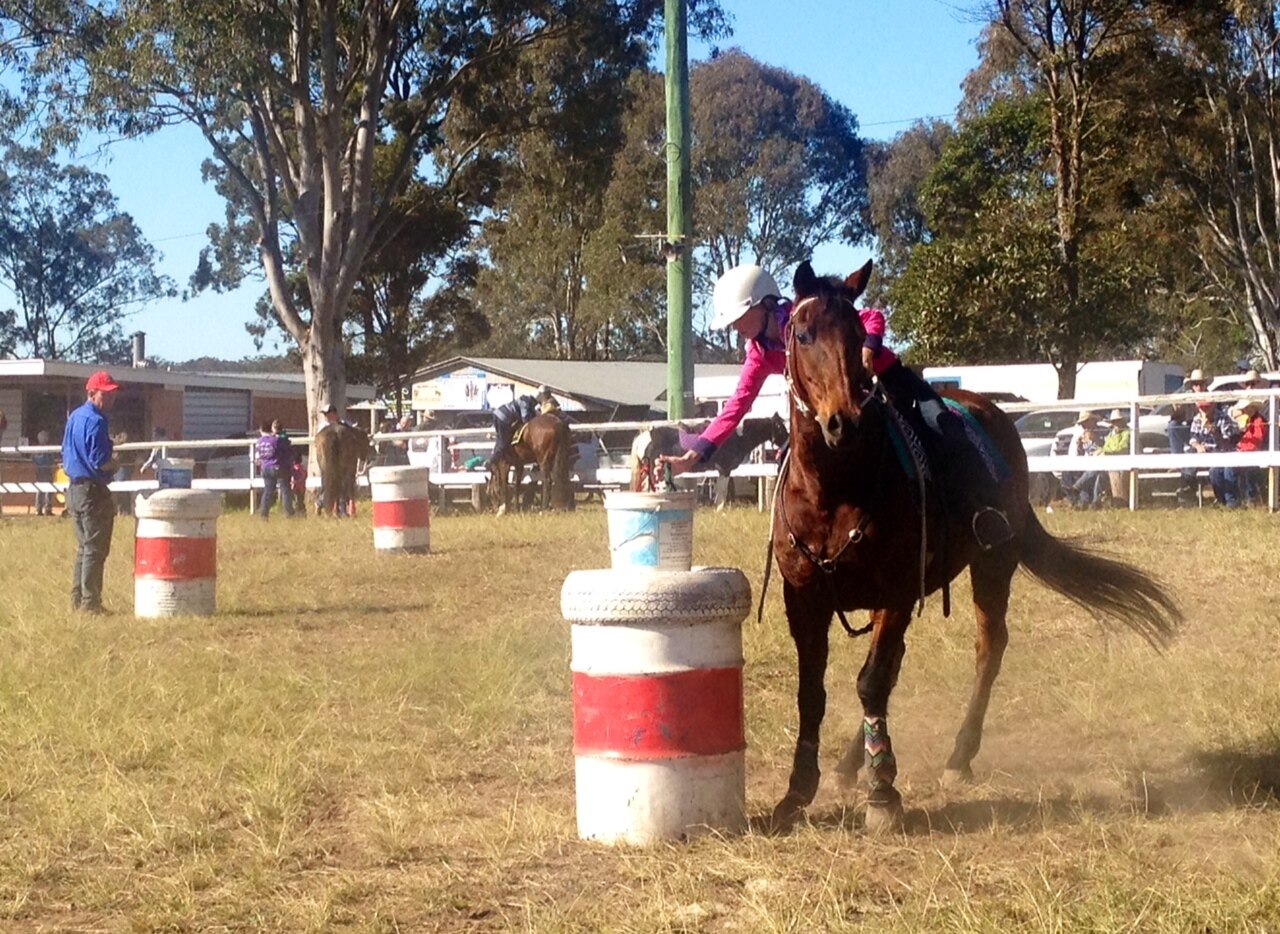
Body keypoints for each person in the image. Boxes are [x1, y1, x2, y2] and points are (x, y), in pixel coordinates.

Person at [660, 263, 1012, 548]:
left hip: (886, 378)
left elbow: (872, 316)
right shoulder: (760, 353)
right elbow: (736, 406)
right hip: (830, 406)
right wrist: (694, 456)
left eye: (739, 317)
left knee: (942, 424)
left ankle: (984, 506)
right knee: (791, 460)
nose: (735, 327)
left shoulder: (815, 311)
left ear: (765, 304)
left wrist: (870, 345)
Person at [62, 370, 121, 613]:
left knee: (84, 548)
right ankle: (91, 603)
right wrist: (116, 462)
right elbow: (100, 461)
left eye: (112, 394)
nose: (109, 399)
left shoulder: (75, 416)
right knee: (95, 549)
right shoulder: (97, 421)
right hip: (92, 491)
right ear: (91, 393)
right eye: (104, 394)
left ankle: (77, 599)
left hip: (74, 489)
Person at [1188, 396, 1242, 507]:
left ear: (1213, 405)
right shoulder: (1197, 419)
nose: (1204, 410)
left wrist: (1214, 431)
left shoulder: (1223, 418)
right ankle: (1220, 500)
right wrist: (1197, 445)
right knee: (1189, 468)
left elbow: (1226, 443)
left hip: (1221, 453)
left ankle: (1230, 501)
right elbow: (1193, 438)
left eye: (1206, 407)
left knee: (1216, 471)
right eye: (1201, 407)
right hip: (1204, 453)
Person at [1171, 369, 1208, 505]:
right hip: (1192, 436)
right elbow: (1175, 419)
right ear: (1192, 386)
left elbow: (1216, 420)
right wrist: (1177, 410)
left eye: (1201, 383)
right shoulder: (1186, 399)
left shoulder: (1213, 398)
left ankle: (1186, 493)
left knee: (1192, 455)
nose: (1198, 387)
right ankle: (1177, 460)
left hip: (1207, 436)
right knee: (1173, 426)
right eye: (1195, 384)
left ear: (1205, 384)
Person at [1061, 411, 1103, 508]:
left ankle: (1076, 489)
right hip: (1085, 463)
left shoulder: (1101, 432)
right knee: (1066, 472)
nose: (1083, 425)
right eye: (1082, 423)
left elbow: (1105, 447)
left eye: (1085, 422)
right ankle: (1076, 501)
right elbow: (1080, 454)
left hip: (1098, 462)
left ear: (1092, 421)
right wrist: (1079, 446)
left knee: (1091, 472)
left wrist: (1095, 439)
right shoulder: (1082, 433)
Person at [488, 393, 541, 468]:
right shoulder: (525, 403)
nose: (535, 405)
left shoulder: (524, 400)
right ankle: (492, 461)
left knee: (501, 438)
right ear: (534, 400)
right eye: (536, 403)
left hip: (499, 414)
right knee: (504, 442)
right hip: (503, 418)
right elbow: (525, 418)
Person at [255, 419, 294, 518]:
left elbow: (257, 456)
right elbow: (287, 450)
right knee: (285, 489)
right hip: (278, 466)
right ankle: (288, 513)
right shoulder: (276, 440)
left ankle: (263, 514)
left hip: (265, 467)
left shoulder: (259, 442)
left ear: (261, 430)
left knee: (268, 491)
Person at [1232, 398, 1267, 506]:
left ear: (1253, 408)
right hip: (1243, 452)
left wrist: (1241, 448)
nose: (1245, 410)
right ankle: (1235, 499)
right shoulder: (1244, 420)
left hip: (1255, 454)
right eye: (1243, 408)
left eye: (1247, 408)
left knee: (1248, 470)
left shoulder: (1259, 421)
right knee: (1229, 469)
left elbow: (1257, 441)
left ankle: (1251, 498)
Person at [33, 430, 56, 516]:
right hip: (41, 471)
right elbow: (35, 459)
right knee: (40, 490)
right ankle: (39, 509)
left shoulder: (48, 450)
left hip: (46, 471)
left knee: (48, 490)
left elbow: (51, 460)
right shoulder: (38, 450)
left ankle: (47, 509)